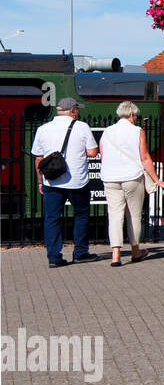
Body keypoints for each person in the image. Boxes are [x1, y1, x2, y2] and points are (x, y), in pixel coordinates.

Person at [100, 101, 164, 265]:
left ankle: (116, 255)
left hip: (110, 178)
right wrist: (157, 180)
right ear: (131, 115)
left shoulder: (107, 132)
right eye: (137, 117)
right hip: (132, 177)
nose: (137, 119)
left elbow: (103, 155)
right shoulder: (137, 131)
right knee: (133, 215)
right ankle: (135, 251)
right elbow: (145, 158)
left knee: (115, 215)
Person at [31, 97, 100, 268]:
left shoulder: (43, 129)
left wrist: (41, 181)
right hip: (77, 181)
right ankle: (80, 253)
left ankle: (54, 257)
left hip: (52, 182)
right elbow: (92, 152)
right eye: (78, 110)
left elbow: (38, 159)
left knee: (51, 219)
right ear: (73, 111)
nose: (78, 113)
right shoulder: (82, 127)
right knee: (81, 215)